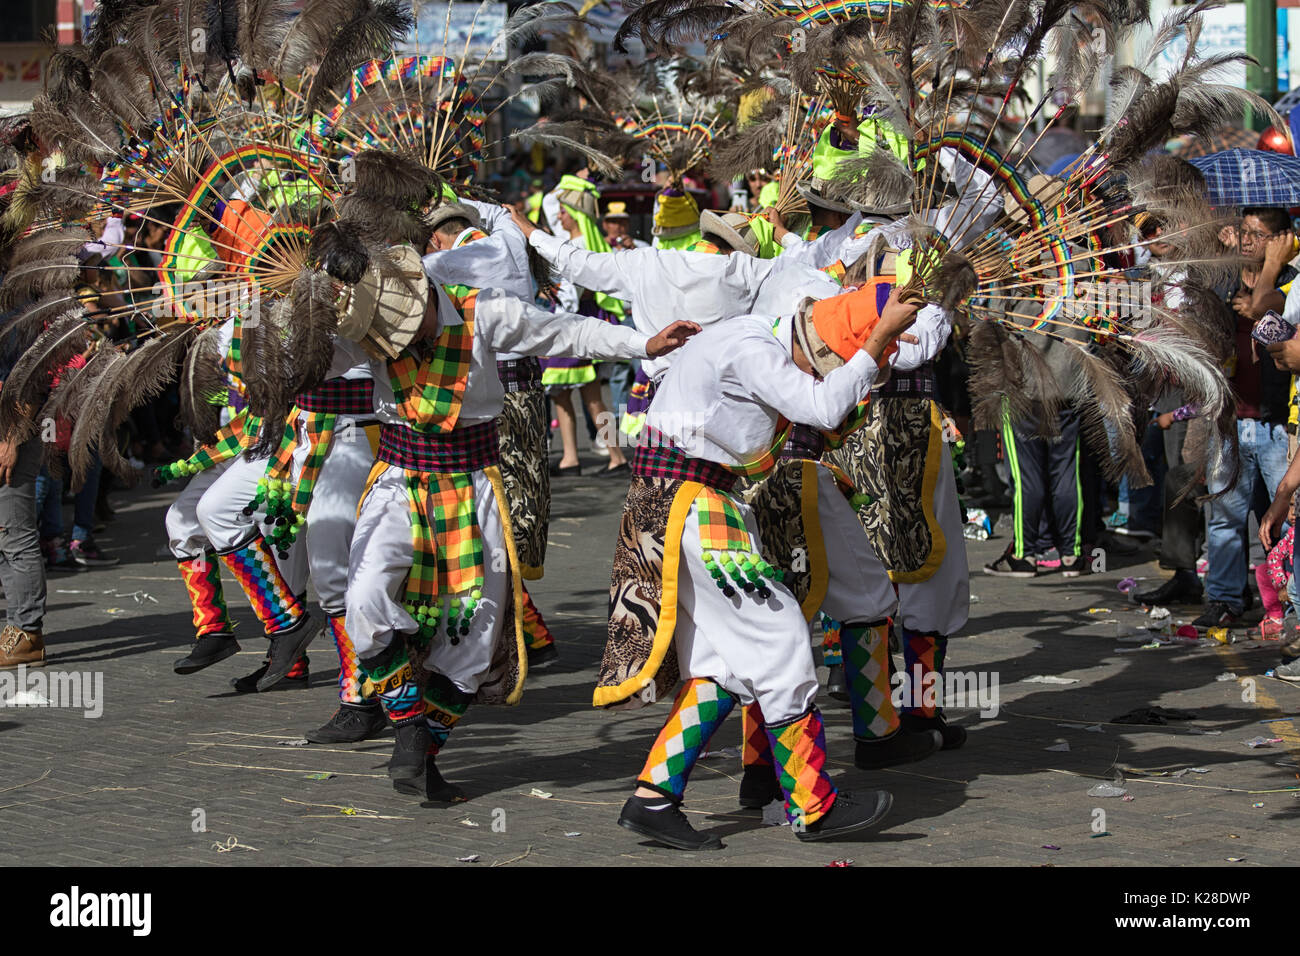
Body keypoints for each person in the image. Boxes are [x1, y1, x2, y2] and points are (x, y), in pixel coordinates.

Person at [333, 240, 700, 802]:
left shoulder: (485, 312)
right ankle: (409, 729)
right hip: (397, 482)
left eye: (412, 327)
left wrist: (641, 343)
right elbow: (291, 360)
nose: (405, 342)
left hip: (474, 485)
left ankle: (420, 751)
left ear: (429, 296)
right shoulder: (363, 328)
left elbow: (565, 333)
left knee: (474, 638)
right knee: (362, 597)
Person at [594, 276, 922, 850]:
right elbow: (820, 407)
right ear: (812, 350)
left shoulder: (744, 338)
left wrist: (874, 349)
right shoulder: (753, 348)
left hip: (682, 500)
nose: (812, 379)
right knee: (781, 639)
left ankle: (653, 798)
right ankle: (815, 806)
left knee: (721, 664)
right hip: (692, 504)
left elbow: (815, 413)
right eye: (820, 367)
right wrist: (877, 342)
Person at [1195, 210, 1296, 628]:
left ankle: (1287, 604)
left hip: (1276, 424)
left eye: (1260, 235)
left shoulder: (1289, 282)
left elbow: (1267, 313)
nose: (1249, 242)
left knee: (1285, 517)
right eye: (1245, 233)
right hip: (1233, 418)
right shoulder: (1224, 284)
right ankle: (1224, 599)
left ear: (1281, 240)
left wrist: (1259, 294)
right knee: (1224, 517)